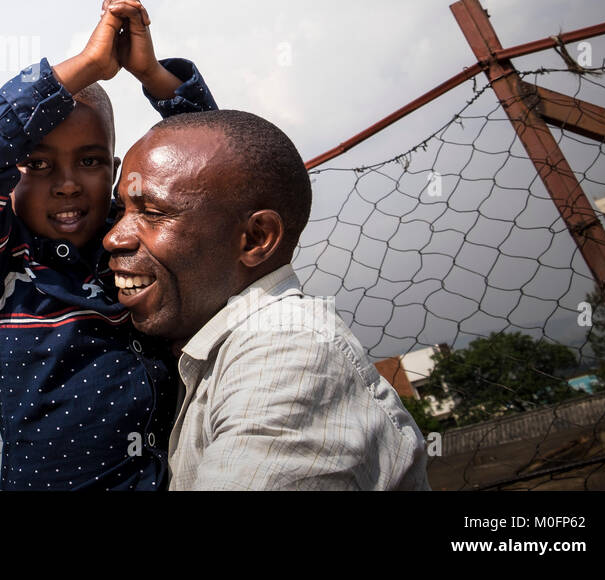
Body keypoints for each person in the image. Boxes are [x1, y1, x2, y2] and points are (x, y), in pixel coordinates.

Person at [0, 0, 218, 489]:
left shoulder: (134, 237)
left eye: (89, 161)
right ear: (7, 177)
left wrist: (153, 75)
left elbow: (216, 165)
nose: (66, 184)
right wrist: (87, 66)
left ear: (114, 169)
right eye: (38, 164)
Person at [104, 109, 430, 490]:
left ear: (257, 238)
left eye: (152, 213)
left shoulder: (287, 355)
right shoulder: (203, 351)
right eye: (120, 210)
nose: (113, 237)